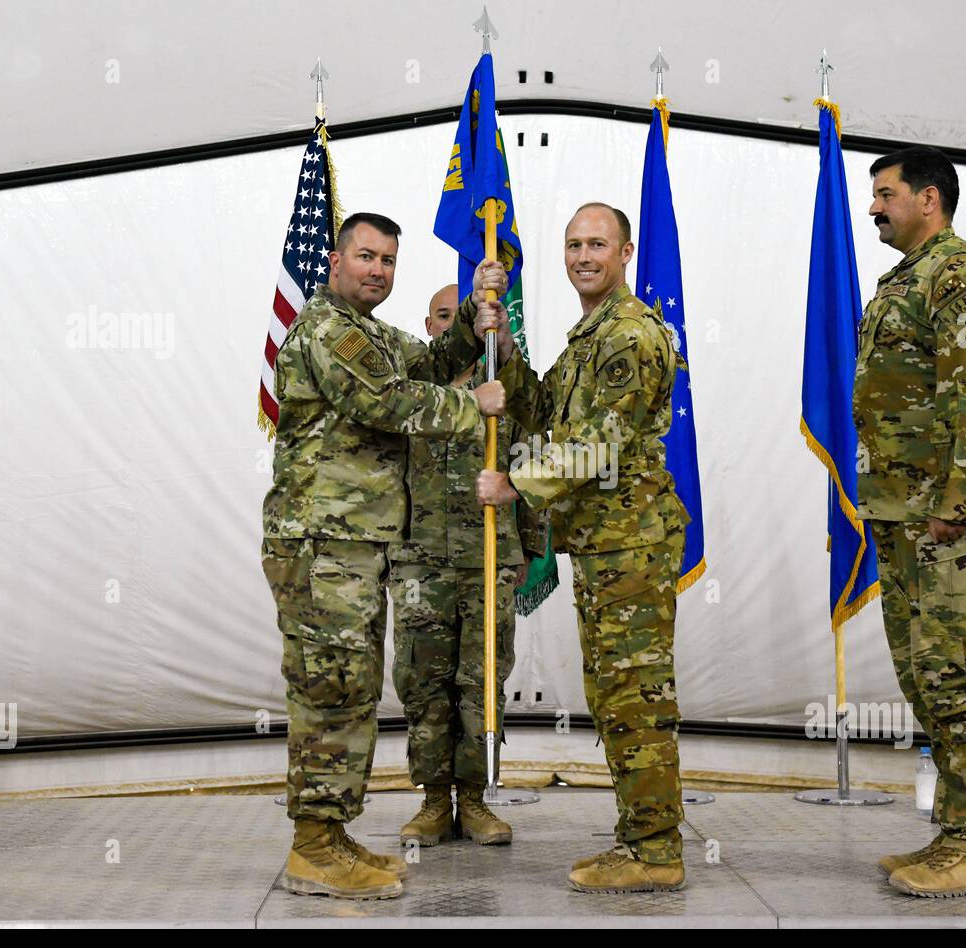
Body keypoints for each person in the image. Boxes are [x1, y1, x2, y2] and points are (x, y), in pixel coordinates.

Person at [261, 211, 513, 900]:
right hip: (322, 545)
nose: (378, 270)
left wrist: (472, 312)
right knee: (329, 689)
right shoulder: (325, 329)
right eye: (366, 256)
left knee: (351, 689)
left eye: (389, 261)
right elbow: (385, 402)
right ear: (336, 262)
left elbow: (428, 362)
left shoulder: (368, 333)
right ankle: (312, 847)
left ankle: (332, 834)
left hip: (356, 546)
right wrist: (474, 406)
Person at [477, 203, 689, 893]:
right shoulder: (589, 337)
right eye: (572, 244)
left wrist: (515, 482)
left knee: (635, 695)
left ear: (625, 252)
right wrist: (506, 353)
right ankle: (641, 839)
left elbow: (601, 443)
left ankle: (656, 851)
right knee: (615, 691)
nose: (582, 255)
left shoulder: (629, 336)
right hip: (605, 542)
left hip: (632, 543)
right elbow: (547, 413)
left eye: (597, 243)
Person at [852, 147, 966, 897]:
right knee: (927, 679)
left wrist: (959, 501)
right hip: (901, 512)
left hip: (948, 517)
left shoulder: (963, 273)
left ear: (929, 198)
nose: (873, 208)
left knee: (963, 678)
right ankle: (956, 834)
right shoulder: (905, 280)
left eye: (885, 195)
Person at [388, 284, 546, 848]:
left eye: (477, 316)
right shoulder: (408, 385)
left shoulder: (507, 393)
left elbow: (532, 462)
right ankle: (433, 801)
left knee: (480, 682)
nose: (469, 325)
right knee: (422, 684)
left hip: (487, 559)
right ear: (431, 327)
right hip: (420, 563)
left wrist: (527, 551)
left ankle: (476, 799)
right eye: (449, 317)